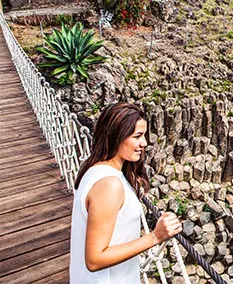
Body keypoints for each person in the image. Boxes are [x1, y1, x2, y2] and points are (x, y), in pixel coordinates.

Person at [70, 103, 182, 283]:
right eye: (137, 136)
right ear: (116, 136)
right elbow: (94, 259)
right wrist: (155, 236)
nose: (144, 143)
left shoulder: (92, 169)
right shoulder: (110, 185)